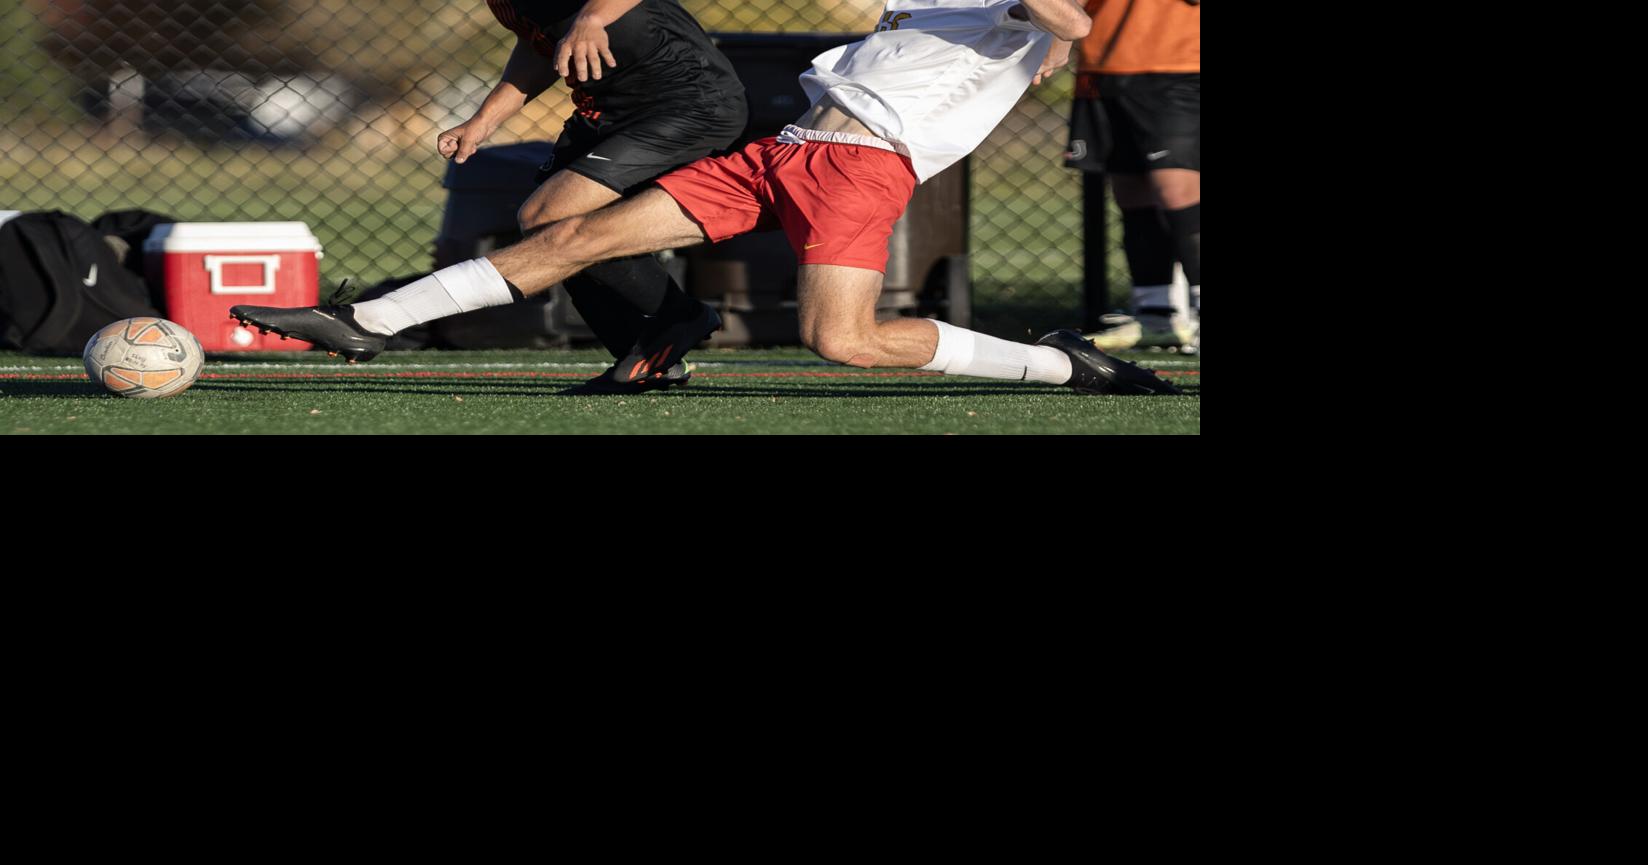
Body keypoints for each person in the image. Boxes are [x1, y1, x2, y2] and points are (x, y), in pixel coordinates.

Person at [232, 0, 1180, 396]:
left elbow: (1075, 21)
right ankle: (364, 320)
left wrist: (1049, 24)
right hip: (788, 148)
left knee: (844, 341)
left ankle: (1061, 367)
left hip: (866, 168)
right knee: (571, 234)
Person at [447, 0, 747, 393]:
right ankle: (649, 358)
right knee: (544, 225)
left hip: (686, 101)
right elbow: (539, 45)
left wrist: (592, 16)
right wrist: (483, 120)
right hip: (607, 112)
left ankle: (680, 317)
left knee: (549, 216)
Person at [1066, 0, 1199, 353]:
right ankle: (1155, 318)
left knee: (1177, 190)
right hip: (1104, 59)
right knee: (1130, 190)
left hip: (1180, 61)